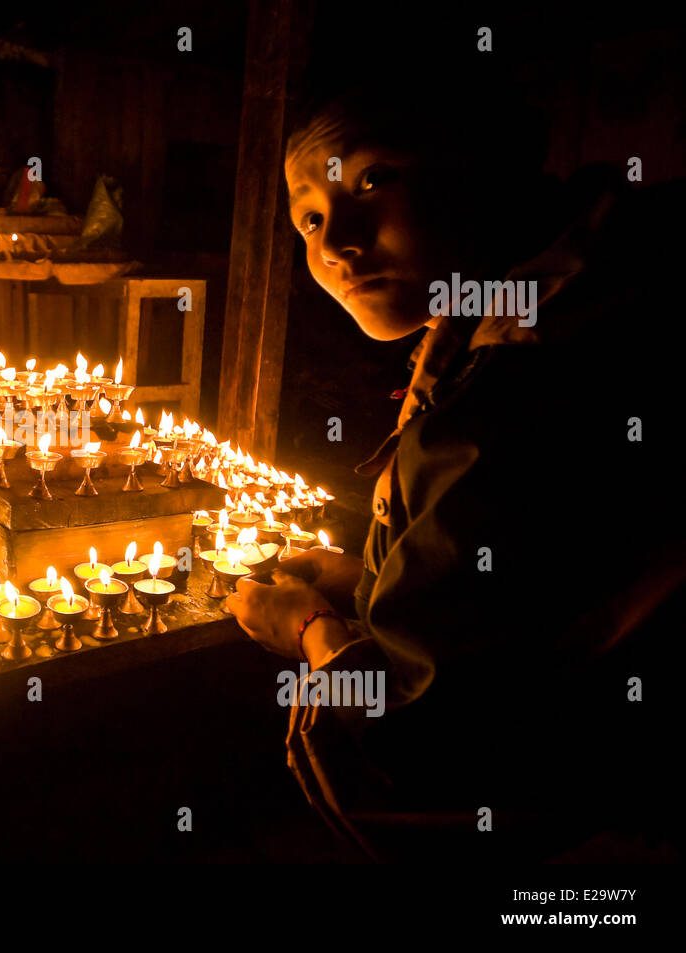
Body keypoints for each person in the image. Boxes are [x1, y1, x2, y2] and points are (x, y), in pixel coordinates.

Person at [227, 65, 685, 861]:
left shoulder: (514, 384)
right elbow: (528, 592)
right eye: (307, 219)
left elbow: (420, 736)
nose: (334, 243)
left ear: (483, 166)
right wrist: (370, 578)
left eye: (374, 179)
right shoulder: (564, 294)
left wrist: (306, 628)